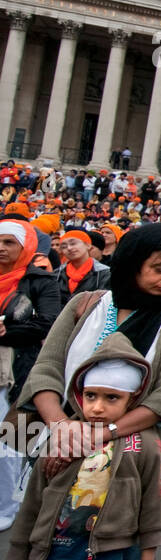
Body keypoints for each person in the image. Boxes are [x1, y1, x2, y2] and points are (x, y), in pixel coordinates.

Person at [16, 223, 161, 560]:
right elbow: (46, 369)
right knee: (55, 543)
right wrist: (61, 426)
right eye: (159, 268)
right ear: (132, 264)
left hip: (133, 456)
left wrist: (102, 434)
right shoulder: (87, 303)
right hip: (63, 445)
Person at [4, 349, 161, 560]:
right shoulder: (61, 440)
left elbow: (152, 511)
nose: (98, 407)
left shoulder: (143, 445)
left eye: (112, 397)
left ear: (132, 400)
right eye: (90, 396)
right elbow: (31, 506)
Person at [0, 219, 61, 532]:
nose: (1, 248)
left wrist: (7, 332)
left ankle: (7, 506)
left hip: (17, 372)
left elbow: (50, 323)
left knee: (10, 444)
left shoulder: (40, 280)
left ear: (26, 246)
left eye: (9, 242)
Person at [53, 229, 111, 305]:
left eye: (73, 243)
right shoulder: (57, 274)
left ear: (88, 245)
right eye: (64, 246)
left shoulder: (103, 273)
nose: (69, 248)